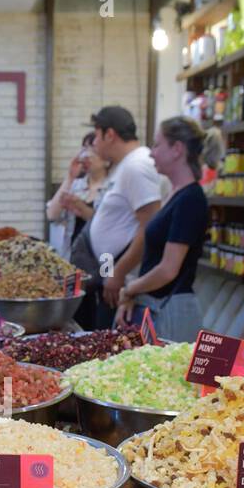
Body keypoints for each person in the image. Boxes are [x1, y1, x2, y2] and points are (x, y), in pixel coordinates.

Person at [116, 116, 210, 344]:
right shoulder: (174, 194)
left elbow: (168, 269)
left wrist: (129, 289)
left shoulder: (191, 200)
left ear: (177, 149)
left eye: (157, 144)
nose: (151, 153)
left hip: (172, 311)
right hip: (158, 306)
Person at [88, 106, 162, 329]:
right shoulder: (124, 166)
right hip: (112, 271)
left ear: (110, 134)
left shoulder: (137, 166)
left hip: (125, 280)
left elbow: (150, 225)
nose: (94, 143)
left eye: (96, 135)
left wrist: (118, 273)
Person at [45, 132, 109, 258]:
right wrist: (70, 177)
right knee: (76, 278)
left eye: (93, 149)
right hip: (74, 256)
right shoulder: (76, 185)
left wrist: (82, 208)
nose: (86, 155)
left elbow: (108, 225)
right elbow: (52, 215)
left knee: (107, 277)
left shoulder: (113, 187)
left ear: (107, 159)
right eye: (84, 148)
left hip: (105, 256)